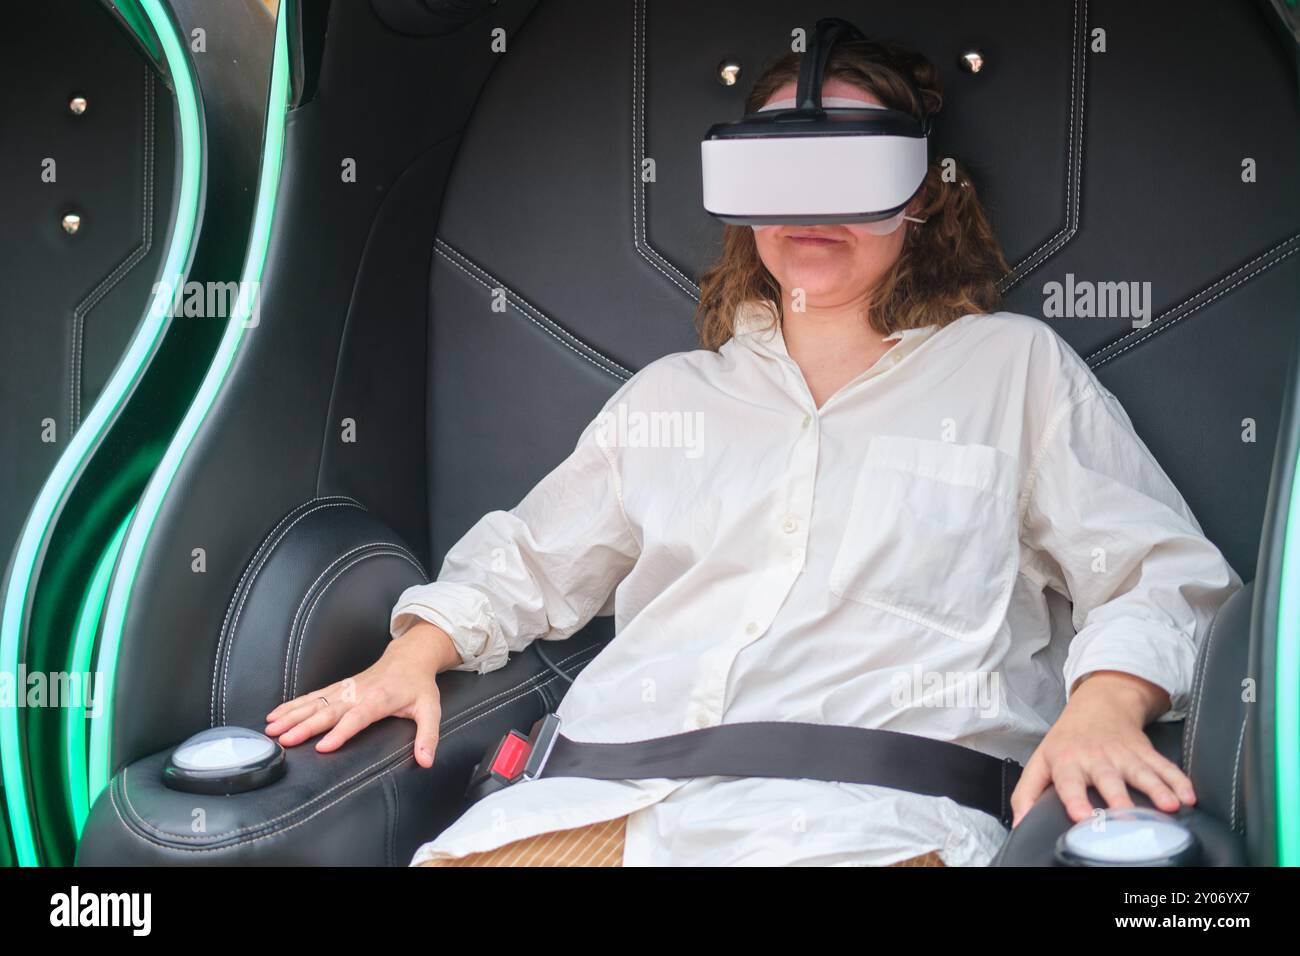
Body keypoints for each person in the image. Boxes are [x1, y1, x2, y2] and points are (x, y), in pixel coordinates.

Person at [264, 36, 1241, 866]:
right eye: (778, 170)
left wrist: (1106, 704)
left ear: (921, 200)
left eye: (853, 172)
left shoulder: (1013, 369)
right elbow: (525, 559)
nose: (811, 207)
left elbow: (1161, 574)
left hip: (877, 828)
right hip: (584, 816)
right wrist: (413, 653)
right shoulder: (670, 397)